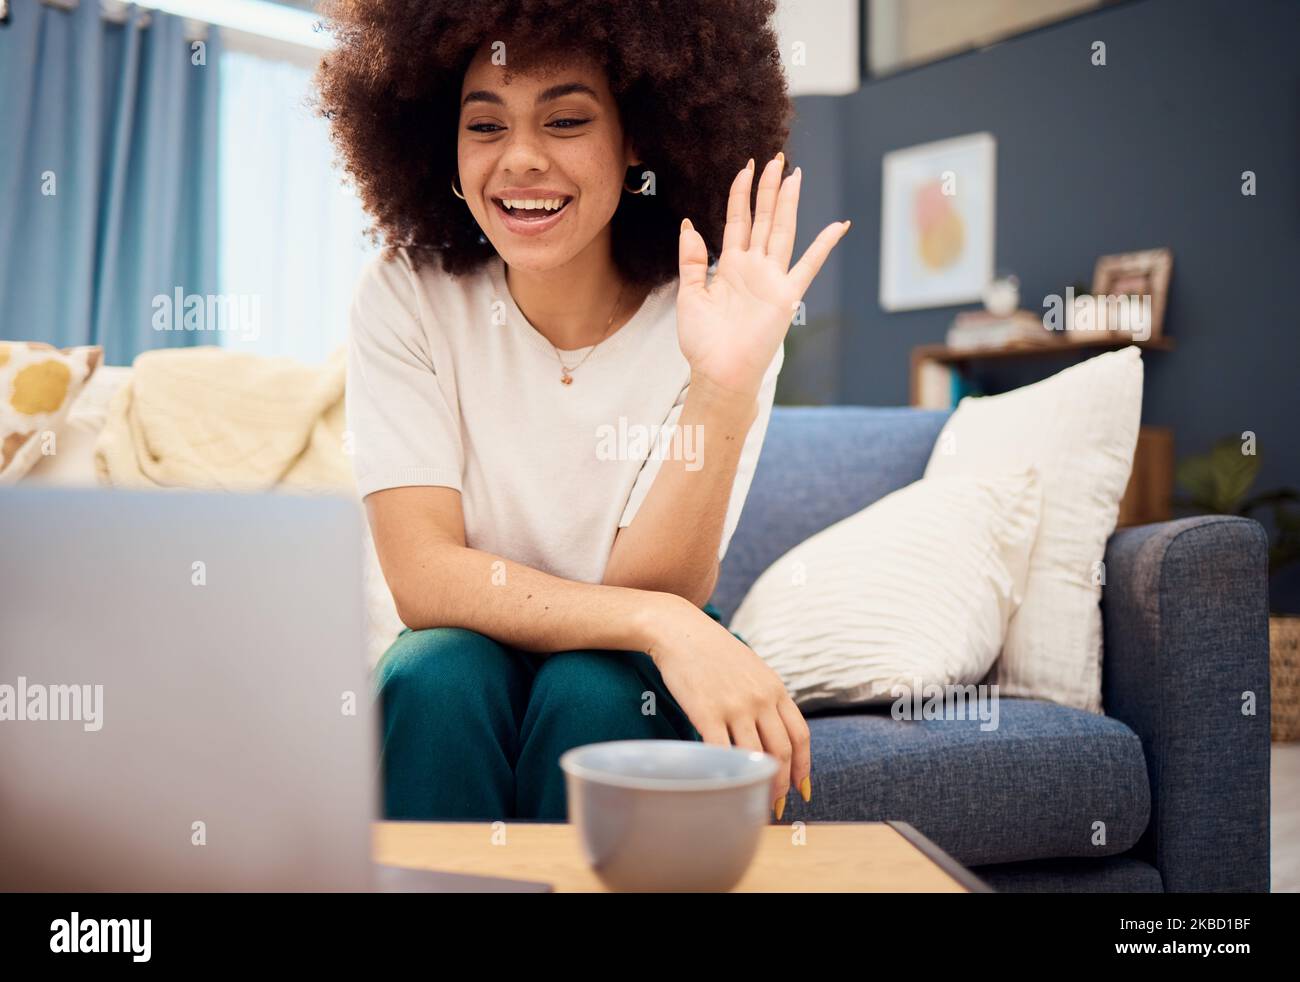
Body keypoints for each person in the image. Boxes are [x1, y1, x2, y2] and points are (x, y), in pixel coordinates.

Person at [317, 0, 850, 822]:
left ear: (637, 136)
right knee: (437, 676)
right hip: (468, 652)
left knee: (594, 693)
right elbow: (424, 578)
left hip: (621, 663)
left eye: (565, 120)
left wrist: (723, 387)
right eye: (485, 126)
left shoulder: (722, 314)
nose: (521, 160)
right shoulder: (405, 294)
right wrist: (664, 625)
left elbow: (659, 583)